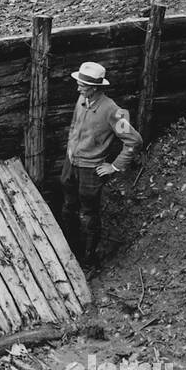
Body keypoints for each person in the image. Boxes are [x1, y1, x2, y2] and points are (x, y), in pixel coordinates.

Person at [61, 61, 142, 270]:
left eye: (83, 85)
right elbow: (74, 125)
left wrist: (114, 167)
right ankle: (69, 251)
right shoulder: (82, 99)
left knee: (88, 216)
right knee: (68, 209)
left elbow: (134, 140)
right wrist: (71, 147)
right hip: (71, 165)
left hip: (91, 170)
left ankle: (89, 261)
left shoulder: (112, 110)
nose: (78, 88)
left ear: (96, 87)